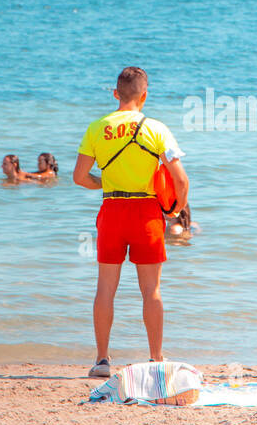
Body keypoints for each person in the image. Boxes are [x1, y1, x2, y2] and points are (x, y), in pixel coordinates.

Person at [73, 67, 189, 378]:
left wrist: (105, 183)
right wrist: (176, 209)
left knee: (105, 289)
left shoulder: (97, 127)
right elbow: (180, 179)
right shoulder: (157, 128)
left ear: (115, 94)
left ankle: (101, 360)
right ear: (145, 96)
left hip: (112, 210)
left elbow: (79, 177)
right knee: (151, 290)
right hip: (146, 213)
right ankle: (156, 358)